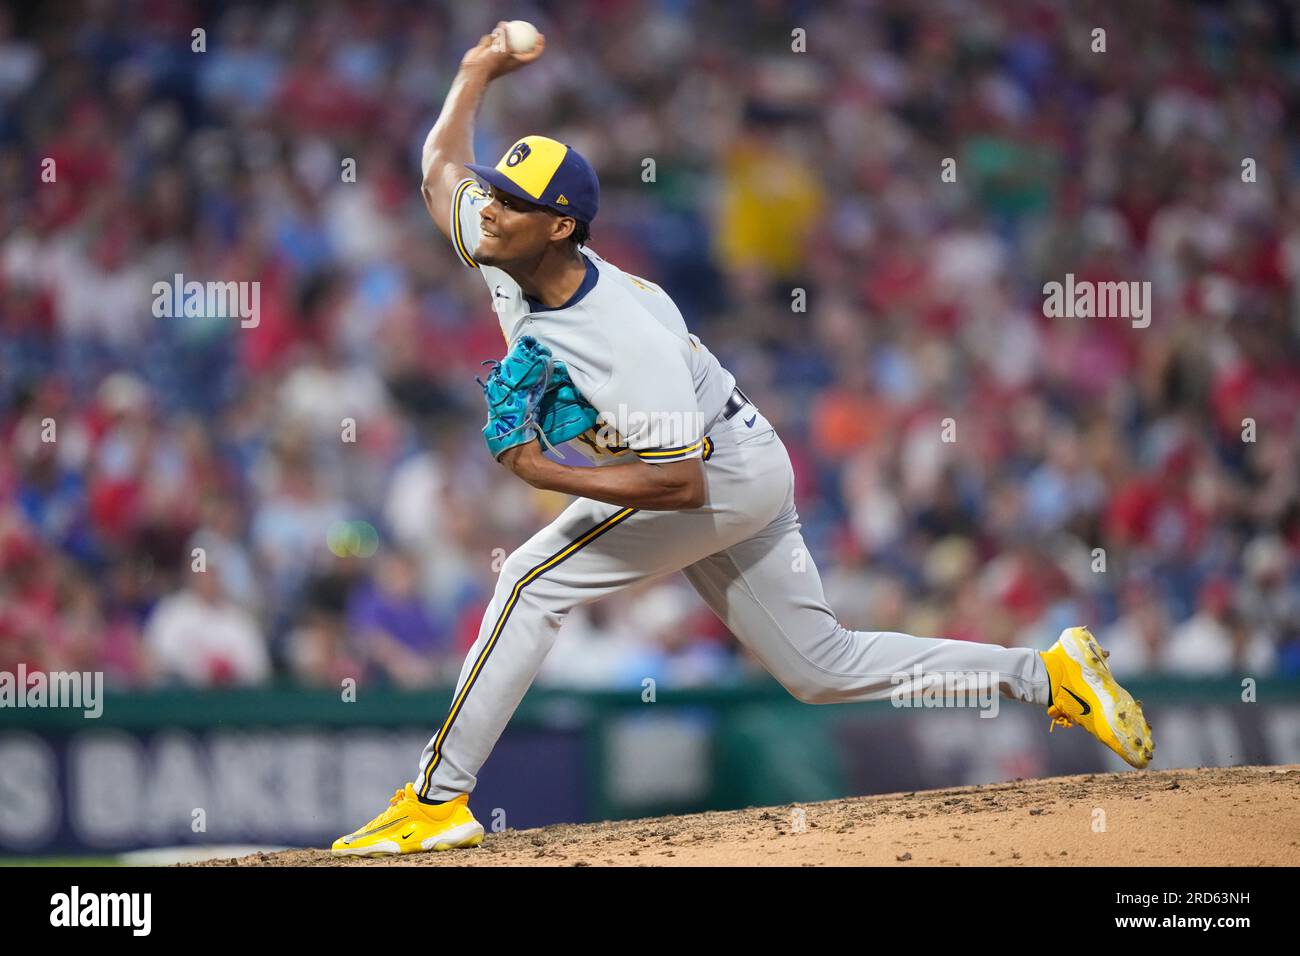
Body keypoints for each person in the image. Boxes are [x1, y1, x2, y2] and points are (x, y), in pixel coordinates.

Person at [332, 24, 1155, 857]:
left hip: (712, 474)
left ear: (559, 227)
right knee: (819, 667)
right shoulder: (498, 237)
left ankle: (438, 799)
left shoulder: (622, 336)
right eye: (497, 193)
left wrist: (544, 468)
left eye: (513, 202)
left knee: (526, 581)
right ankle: (1046, 674)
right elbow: (441, 169)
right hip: (738, 458)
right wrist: (476, 70)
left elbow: (682, 487)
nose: (491, 207)